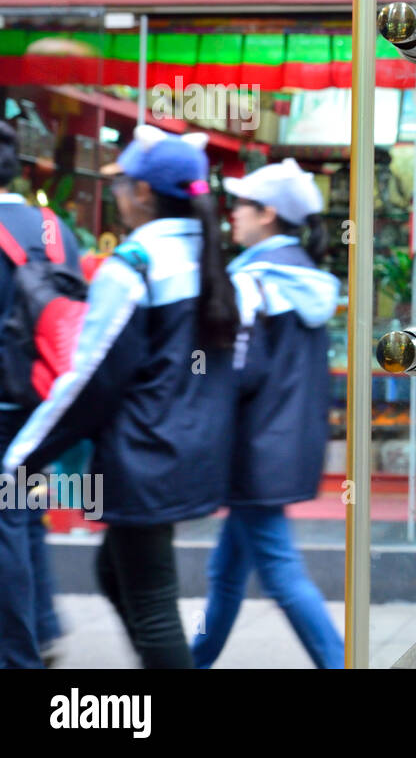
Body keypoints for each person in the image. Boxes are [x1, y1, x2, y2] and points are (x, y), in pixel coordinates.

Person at [3, 126, 240, 668]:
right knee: (117, 574)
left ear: (143, 194)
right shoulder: (208, 260)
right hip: (185, 451)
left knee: (152, 605)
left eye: (123, 183)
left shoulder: (133, 267)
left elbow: (91, 379)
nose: (115, 193)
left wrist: (21, 457)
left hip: (144, 458)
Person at [191, 159, 344, 669]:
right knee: (228, 571)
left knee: (279, 571)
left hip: (253, 447)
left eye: (242, 205)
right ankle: (195, 660)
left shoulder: (254, 283)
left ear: (269, 214)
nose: (232, 214)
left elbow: (237, 373)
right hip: (280, 443)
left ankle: (338, 661)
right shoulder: (302, 277)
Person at [0, 119, 81, 669]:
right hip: (45, 400)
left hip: (3, 402)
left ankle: (16, 655)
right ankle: (44, 626)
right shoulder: (55, 228)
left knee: (6, 520)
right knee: (23, 512)